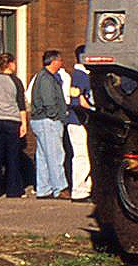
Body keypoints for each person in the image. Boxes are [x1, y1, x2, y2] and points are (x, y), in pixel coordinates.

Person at [0, 53, 28, 197]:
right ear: (9, 64)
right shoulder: (15, 81)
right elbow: (21, 104)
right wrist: (24, 123)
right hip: (12, 120)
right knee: (12, 156)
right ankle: (13, 189)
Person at [28, 50, 69, 199]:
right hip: (48, 121)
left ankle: (44, 188)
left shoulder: (44, 77)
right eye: (60, 60)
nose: (61, 63)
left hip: (41, 120)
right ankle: (60, 188)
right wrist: (56, 116)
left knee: (43, 156)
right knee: (55, 155)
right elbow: (48, 100)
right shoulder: (46, 78)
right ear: (54, 61)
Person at [65, 45, 93, 202]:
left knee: (86, 155)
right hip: (78, 121)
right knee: (81, 155)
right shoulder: (79, 75)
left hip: (81, 121)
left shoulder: (84, 75)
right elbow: (78, 100)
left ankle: (86, 188)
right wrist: (92, 110)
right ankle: (79, 190)